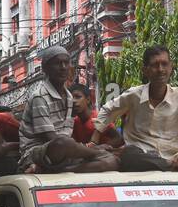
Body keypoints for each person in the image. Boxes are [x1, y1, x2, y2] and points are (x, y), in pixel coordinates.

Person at [91, 45, 178, 172]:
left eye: (164, 64)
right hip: (142, 157)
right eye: (155, 65)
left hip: (177, 157)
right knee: (129, 155)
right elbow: (107, 110)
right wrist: (94, 141)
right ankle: (169, 166)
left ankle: (170, 165)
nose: (160, 70)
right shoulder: (134, 95)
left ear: (171, 67)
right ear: (145, 70)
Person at [19, 45, 117, 173]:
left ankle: (64, 170)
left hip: (65, 153)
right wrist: (93, 151)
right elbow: (53, 139)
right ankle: (49, 167)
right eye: (58, 63)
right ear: (46, 68)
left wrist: (85, 150)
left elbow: (66, 136)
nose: (63, 67)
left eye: (66, 63)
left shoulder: (69, 97)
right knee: (63, 143)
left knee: (112, 162)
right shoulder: (39, 97)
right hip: (38, 153)